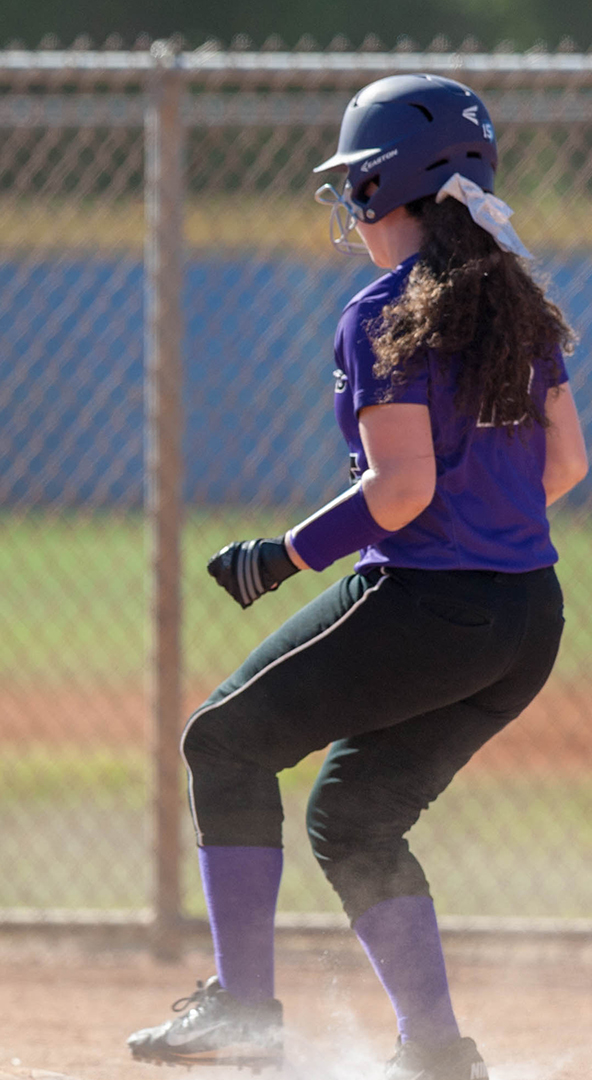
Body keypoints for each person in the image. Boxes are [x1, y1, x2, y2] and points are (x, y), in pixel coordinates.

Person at [125, 74, 585, 1080]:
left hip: (431, 603)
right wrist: (488, 531)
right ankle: (437, 1051)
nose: (350, 207)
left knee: (225, 741)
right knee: (356, 815)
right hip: (530, 617)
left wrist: (279, 557)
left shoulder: (383, 310)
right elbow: (564, 466)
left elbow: (401, 489)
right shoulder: (519, 300)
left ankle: (244, 1008)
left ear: (388, 188)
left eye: (357, 186)